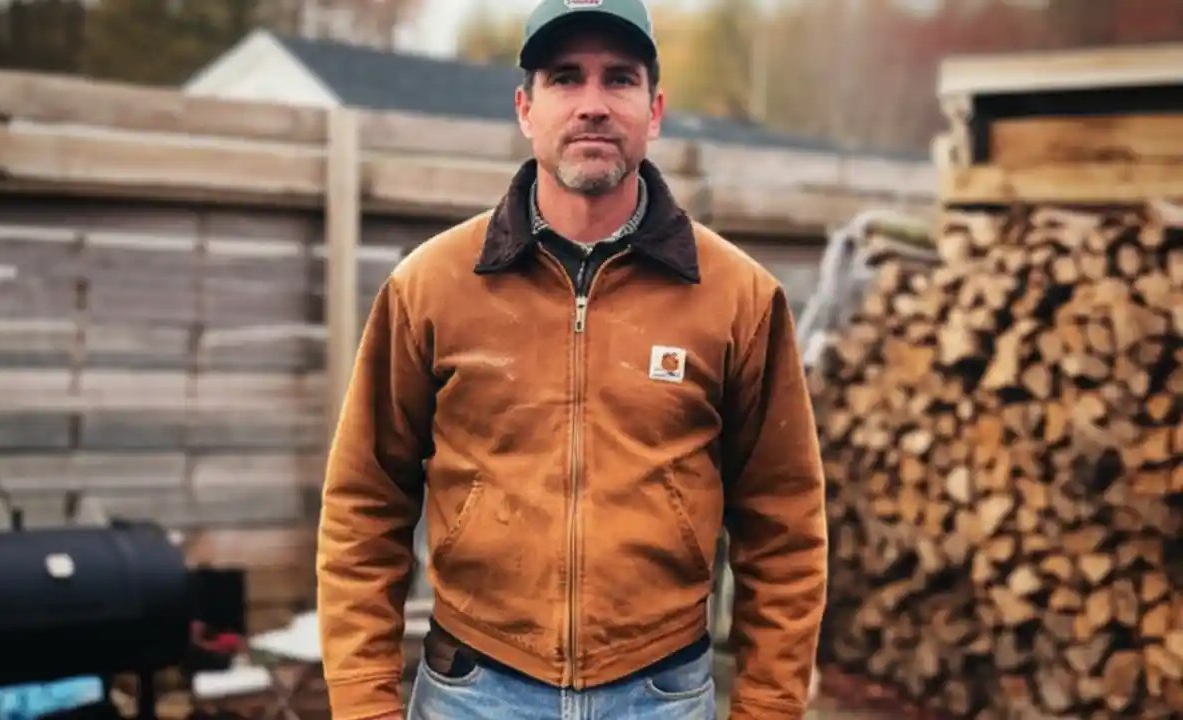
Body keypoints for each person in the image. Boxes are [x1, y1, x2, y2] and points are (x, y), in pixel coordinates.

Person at [315, 0, 828, 717]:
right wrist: (365, 706)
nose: (592, 104)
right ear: (526, 108)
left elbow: (786, 526)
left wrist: (768, 707)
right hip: (475, 690)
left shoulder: (738, 297)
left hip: (662, 693)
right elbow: (363, 508)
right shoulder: (430, 287)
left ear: (655, 110)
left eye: (618, 79)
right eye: (565, 78)